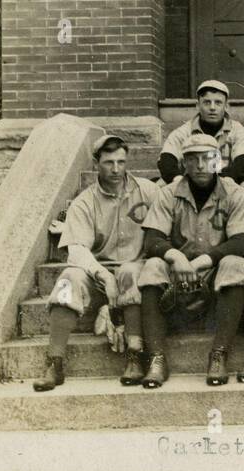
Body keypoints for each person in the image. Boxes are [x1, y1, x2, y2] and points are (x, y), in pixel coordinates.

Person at [37, 133, 157, 392]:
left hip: (136, 270)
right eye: (108, 163)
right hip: (100, 273)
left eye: (121, 162)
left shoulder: (147, 190)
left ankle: (135, 355)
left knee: (129, 271)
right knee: (69, 279)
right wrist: (103, 275)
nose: (116, 169)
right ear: (95, 163)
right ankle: (54, 361)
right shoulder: (84, 202)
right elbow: (77, 249)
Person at [138, 133, 244, 389]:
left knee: (234, 263)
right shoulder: (168, 193)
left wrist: (203, 261)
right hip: (178, 274)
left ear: (219, 162)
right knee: (152, 266)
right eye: (193, 159)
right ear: (184, 164)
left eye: (207, 158)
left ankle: (219, 353)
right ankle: (156, 357)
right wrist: (176, 256)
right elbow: (152, 239)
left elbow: (241, 242)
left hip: (212, 271)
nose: (201, 165)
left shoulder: (234, 193)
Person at [157, 79, 244, 185]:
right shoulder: (183, 131)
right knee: (160, 184)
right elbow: (166, 158)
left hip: (226, 183)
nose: (212, 108)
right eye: (207, 103)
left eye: (218, 103)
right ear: (197, 105)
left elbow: (243, 162)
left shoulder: (238, 131)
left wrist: (225, 181)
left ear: (226, 106)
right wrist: (178, 179)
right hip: (191, 184)